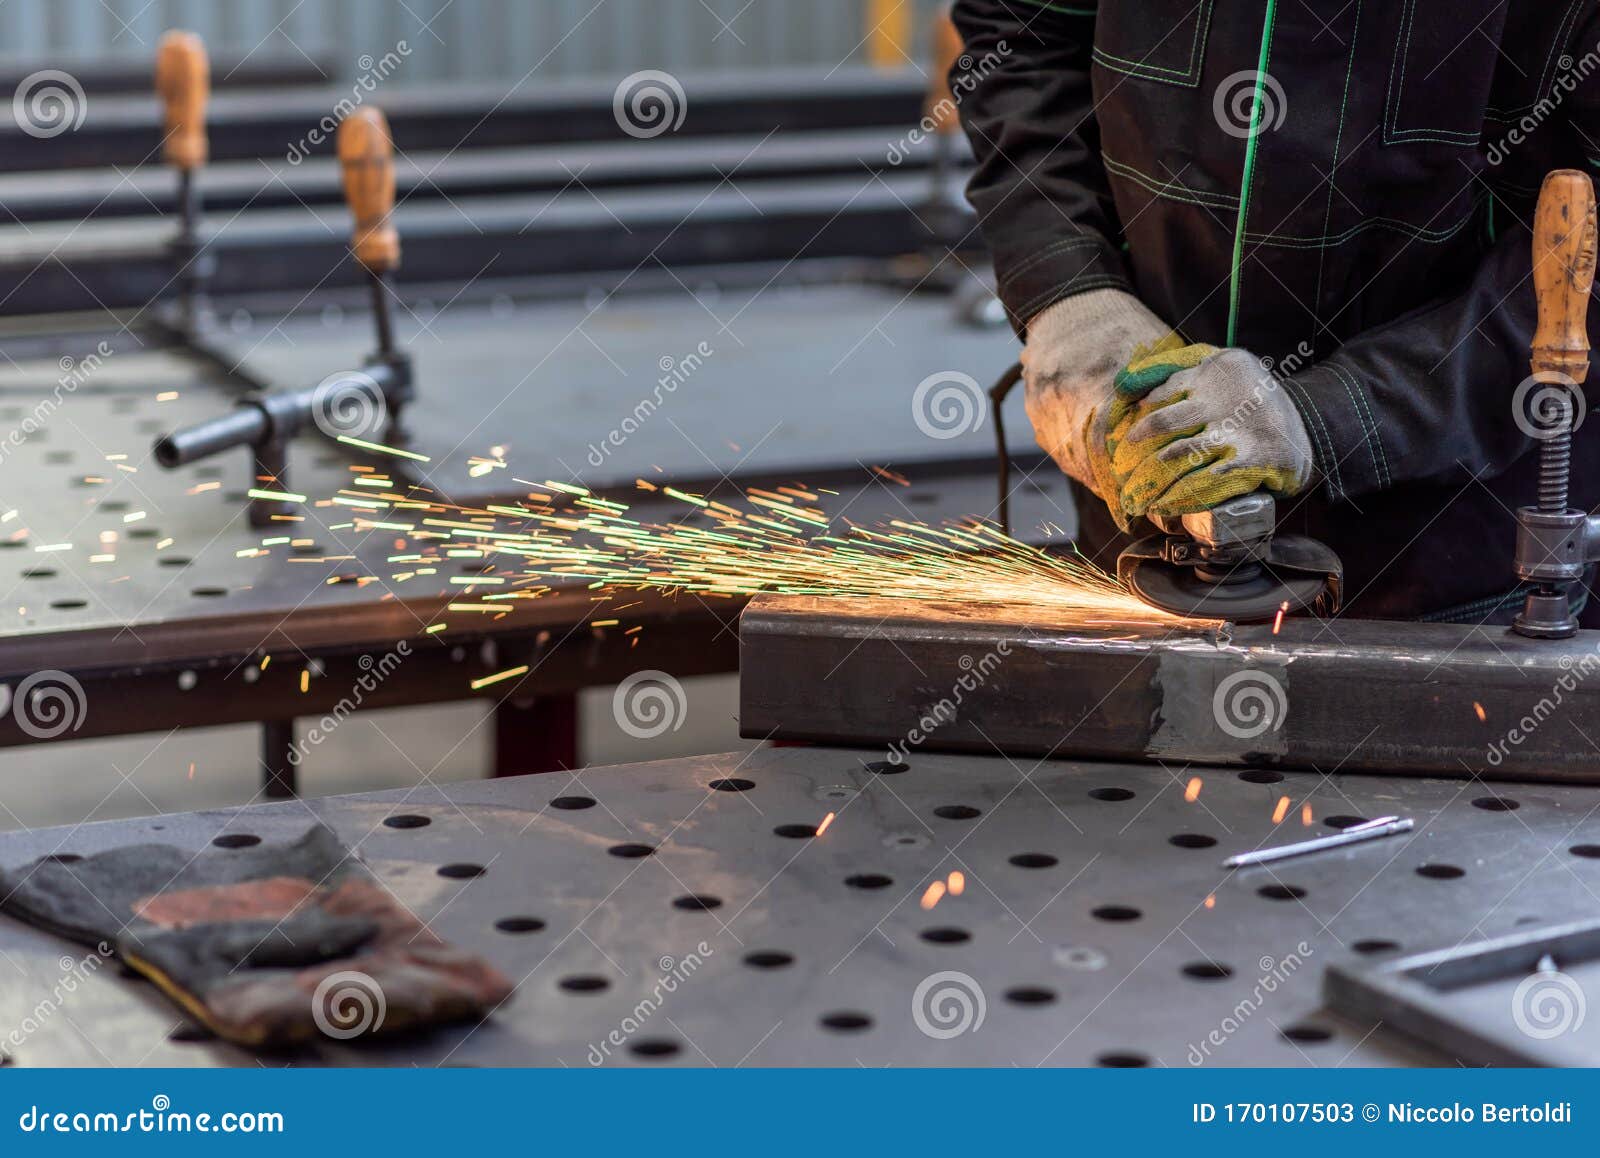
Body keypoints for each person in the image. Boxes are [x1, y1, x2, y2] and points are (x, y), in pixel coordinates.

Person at [952, 0, 1600, 623]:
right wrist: (1069, 290)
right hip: (1142, 522)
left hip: (1448, 544)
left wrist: (1334, 416)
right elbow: (1019, 37)